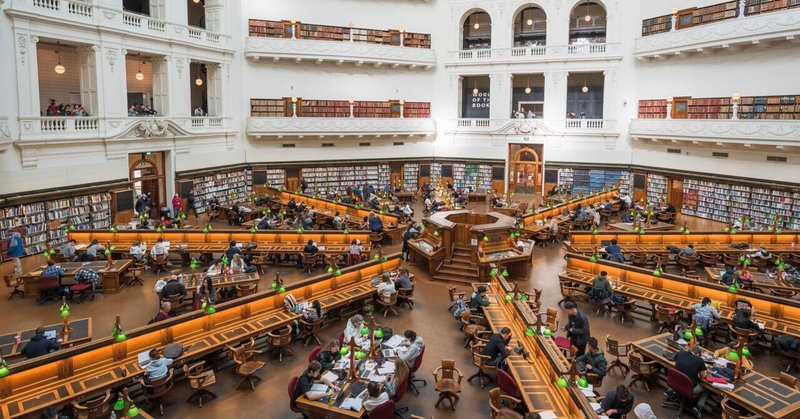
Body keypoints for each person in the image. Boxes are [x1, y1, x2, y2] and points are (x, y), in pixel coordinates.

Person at [674, 345, 707, 418]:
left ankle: (675, 394)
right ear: (698, 354)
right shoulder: (699, 360)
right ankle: (698, 408)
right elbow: (703, 377)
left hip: (675, 384)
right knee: (706, 387)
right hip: (689, 389)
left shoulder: (680, 353)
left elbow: (676, 363)